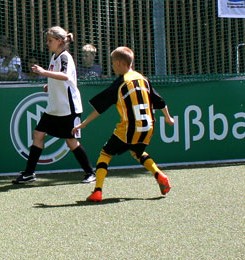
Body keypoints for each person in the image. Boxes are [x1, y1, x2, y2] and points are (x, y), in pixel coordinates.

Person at [73, 46, 175, 202]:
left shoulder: (120, 83)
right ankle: (160, 175)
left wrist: (84, 123)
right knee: (137, 152)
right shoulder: (143, 79)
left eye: (113, 63)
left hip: (129, 128)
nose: (112, 66)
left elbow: (100, 108)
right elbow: (160, 101)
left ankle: (97, 191)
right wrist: (168, 118)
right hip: (148, 126)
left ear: (120, 63)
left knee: (106, 154)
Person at [12, 26, 96, 184]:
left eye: (50, 40)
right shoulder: (55, 56)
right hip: (54, 108)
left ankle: (90, 173)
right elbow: (59, 77)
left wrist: (43, 73)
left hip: (68, 108)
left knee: (71, 141)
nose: (47, 43)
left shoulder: (65, 57)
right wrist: (50, 85)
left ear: (59, 41)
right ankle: (29, 173)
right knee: (38, 134)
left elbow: (65, 76)